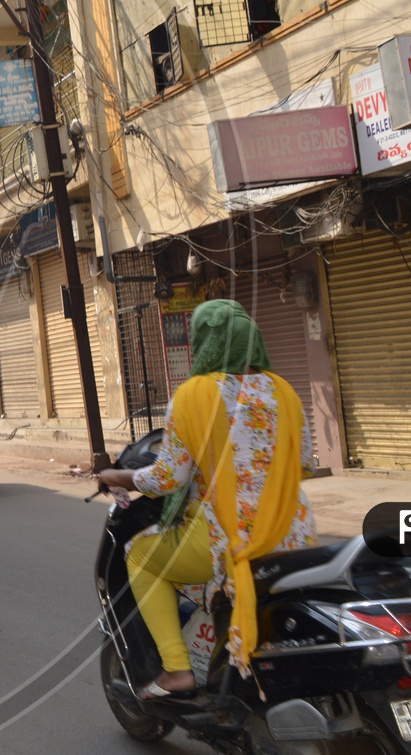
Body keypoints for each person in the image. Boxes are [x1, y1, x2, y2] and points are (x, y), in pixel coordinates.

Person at [97, 298, 317, 700]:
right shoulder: (284, 392)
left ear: (205, 343)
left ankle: (177, 669)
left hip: (229, 539)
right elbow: (301, 464)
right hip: (294, 533)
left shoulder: (194, 395)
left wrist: (120, 475)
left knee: (139, 555)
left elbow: (167, 477)